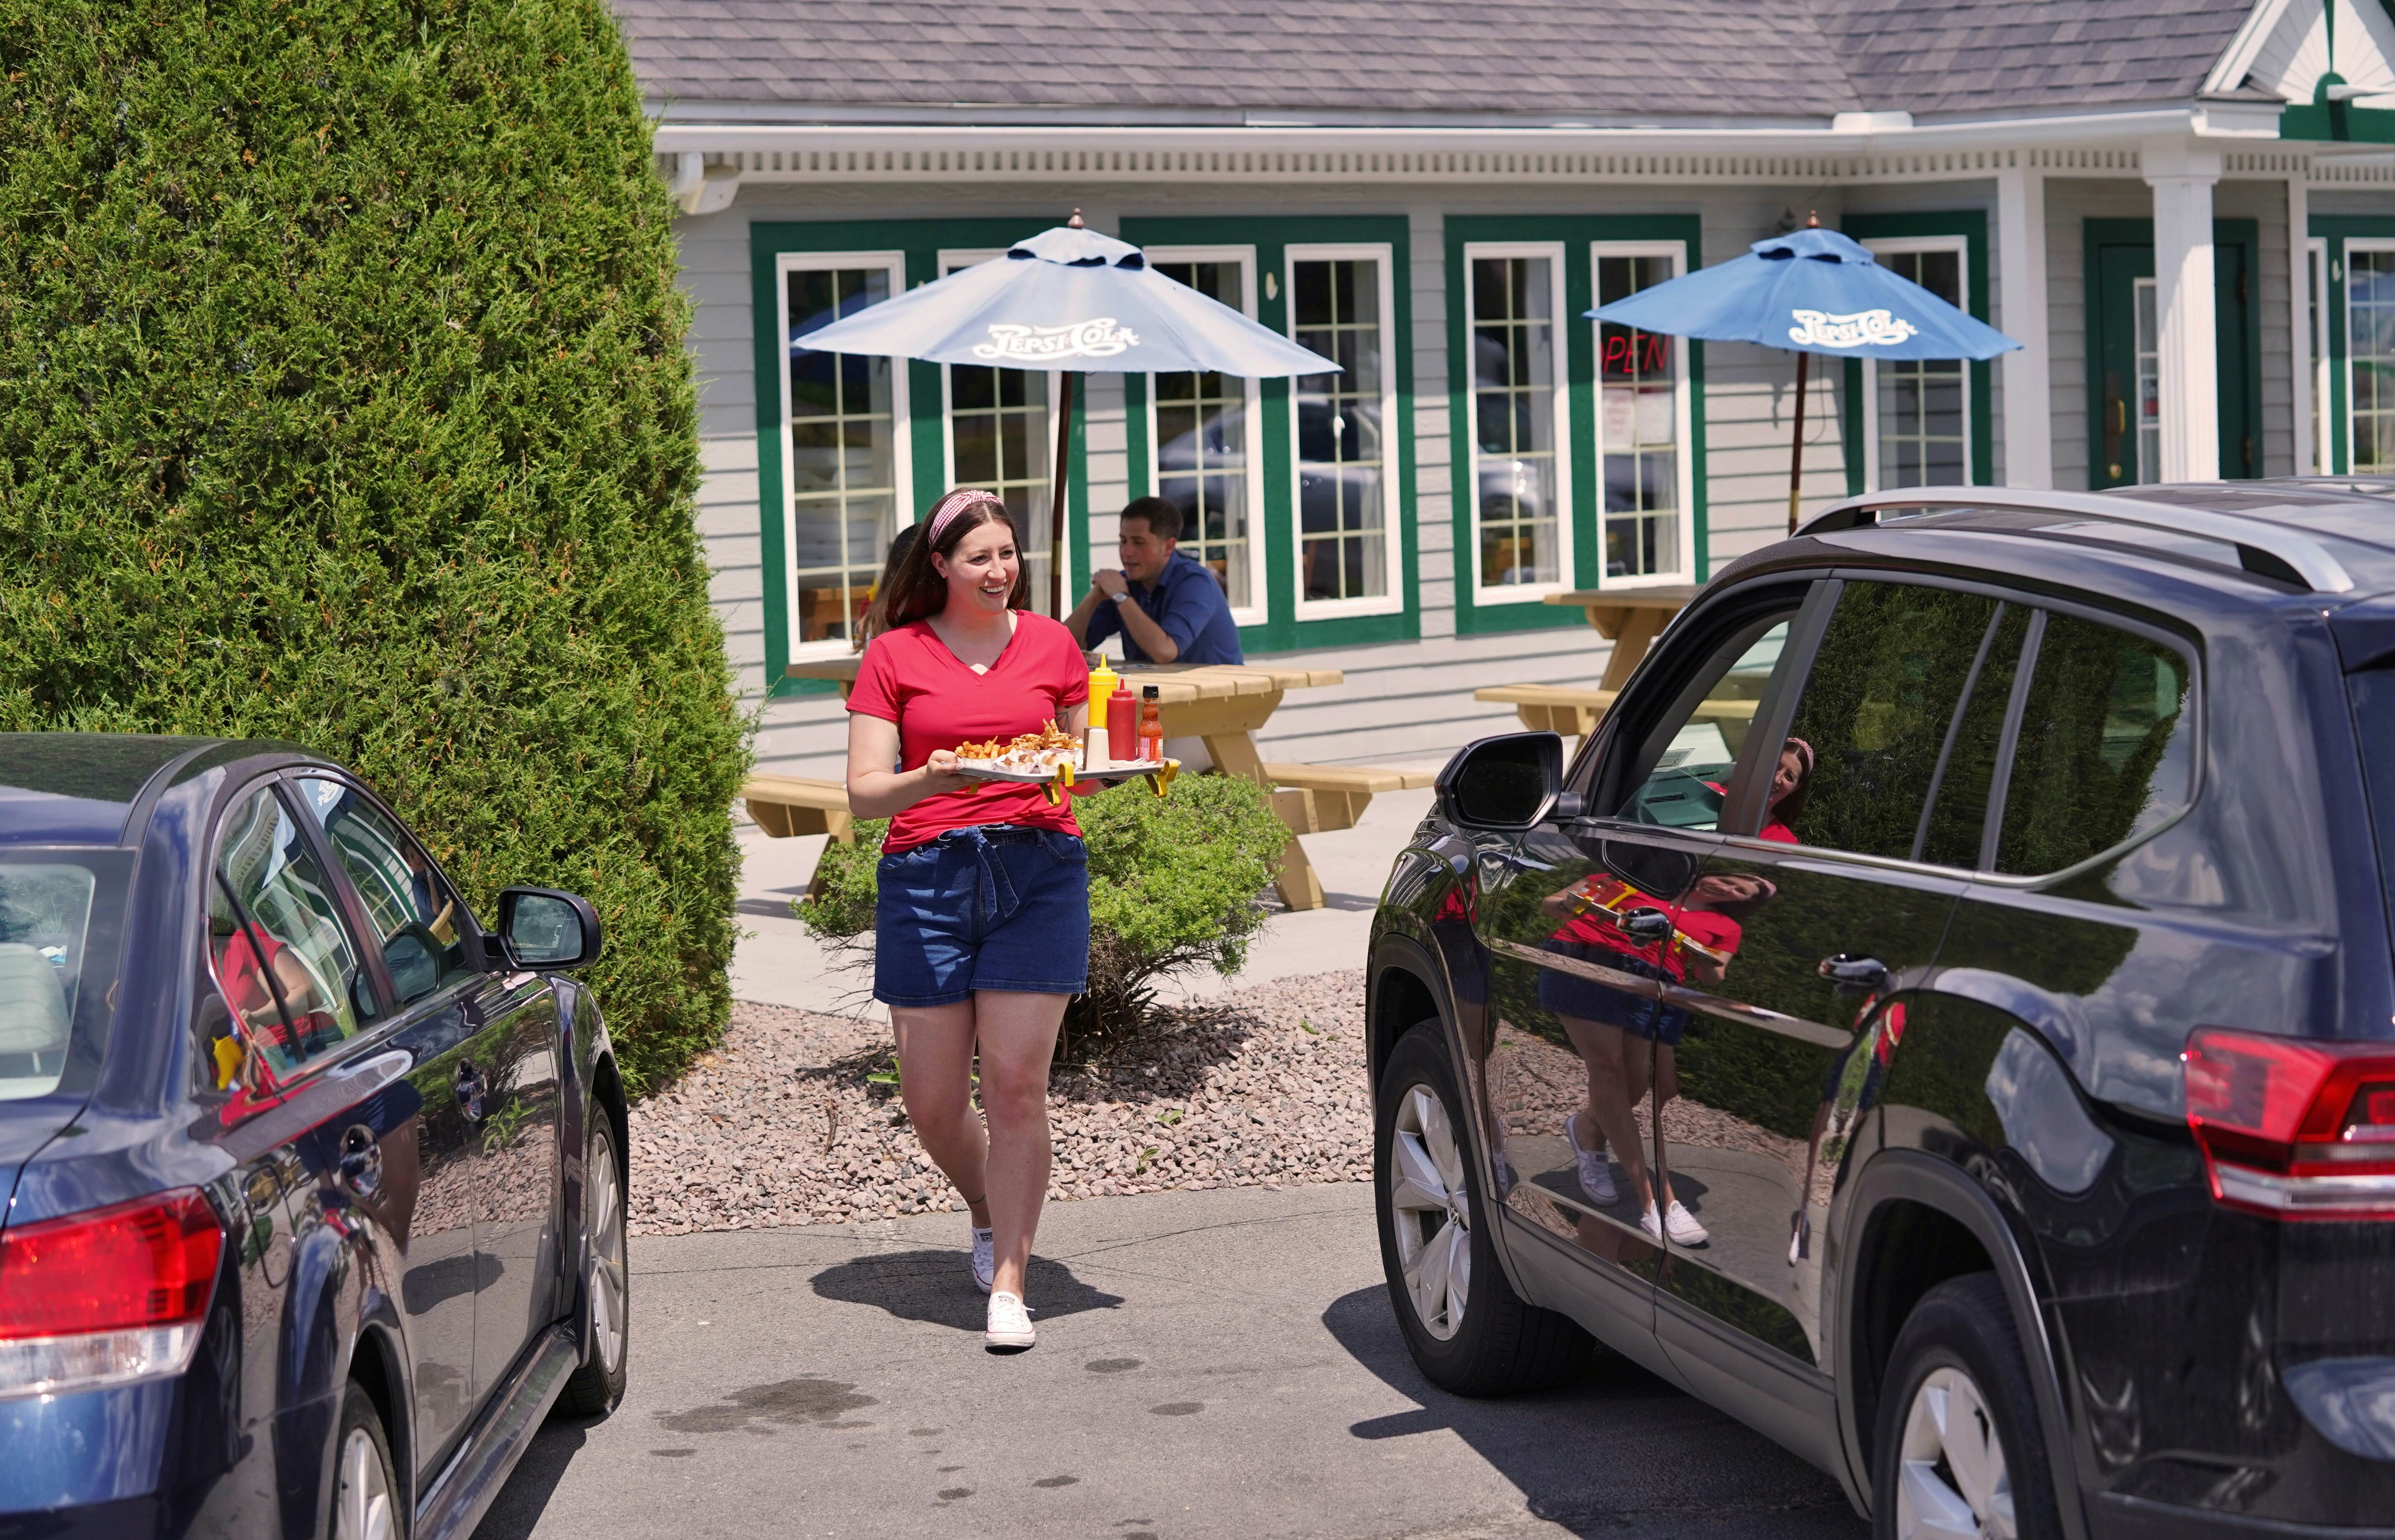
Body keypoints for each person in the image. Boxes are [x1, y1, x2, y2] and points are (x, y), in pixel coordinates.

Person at [847, 487, 1107, 1353]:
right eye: (979, 558)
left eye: (1007, 553)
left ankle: (1009, 1285)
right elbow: (864, 792)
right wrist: (934, 777)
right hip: (926, 876)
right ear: (941, 566)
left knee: (1015, 1087)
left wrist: (1113, 761)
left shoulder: (1054, 643)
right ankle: (986, 1205)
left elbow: (1080, 764)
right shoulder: (895, 654)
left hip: (1038, 869)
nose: (999, 570)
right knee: (930, 1101)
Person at [1539, 868, 1775, 1245]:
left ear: (1740, 904)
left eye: (1739, 893)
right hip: (1587, 955)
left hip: (1654, 981)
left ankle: (1587, 1130)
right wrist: (1572, 903)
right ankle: (1657, 1204)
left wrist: (1706, 960)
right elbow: (1551, 906)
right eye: (1730, 880)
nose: (1728, 888)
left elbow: (1715, 975)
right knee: (1608, 1070)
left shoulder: (1725, 927)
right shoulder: (1628, 879)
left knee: (1635, 1089)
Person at [1066, 496, 1243, 666]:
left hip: (1223, 687)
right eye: (1123, 541)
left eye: (1138, 543)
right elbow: (1067, 647)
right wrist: (1093, 598)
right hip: (1159, 686)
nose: (1127, 552)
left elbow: (1164, 652)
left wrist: (1121, 597)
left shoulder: (1196, 582)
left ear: (1169, 547)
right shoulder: (1123, 584)